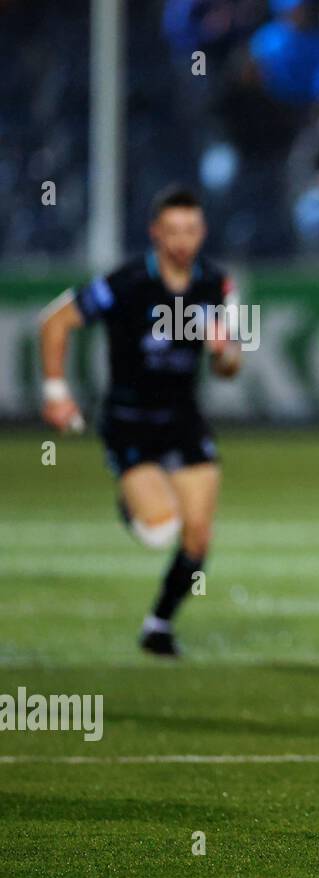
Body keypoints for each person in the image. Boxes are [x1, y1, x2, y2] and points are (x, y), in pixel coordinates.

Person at [38, 185, 244, 656]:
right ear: (155, 232)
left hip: (184, 420)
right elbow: (55, 322)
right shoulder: (126, 282)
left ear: (202, 231)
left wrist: (225, 351)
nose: (182, 240)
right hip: (130, 421)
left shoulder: (216, 283)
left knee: (198, 535)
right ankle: (134, 507)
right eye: (172, 230)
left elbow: (230, 367)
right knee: (160, 530)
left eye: (190, 230)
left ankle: (159, 625)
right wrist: (55, 393)